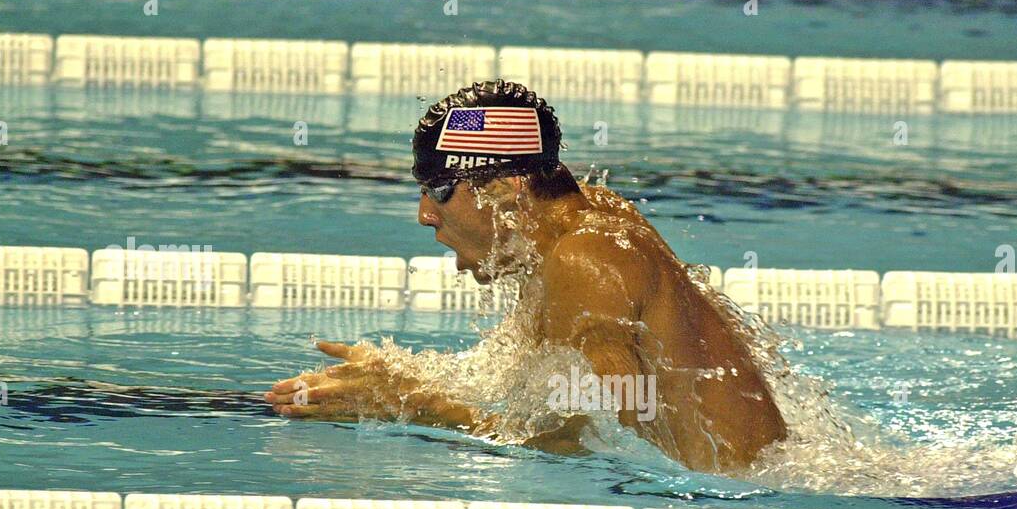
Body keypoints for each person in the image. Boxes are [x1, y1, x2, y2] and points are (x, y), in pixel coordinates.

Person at [266, 80, 787, 474]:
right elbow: (556, 392)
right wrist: (406, 378)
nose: (426, 214)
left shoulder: (587, 260)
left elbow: (614, 434)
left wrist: (416, 406)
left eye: (440, 189)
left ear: (504, 188)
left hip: (736, 500)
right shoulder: (579, 222)